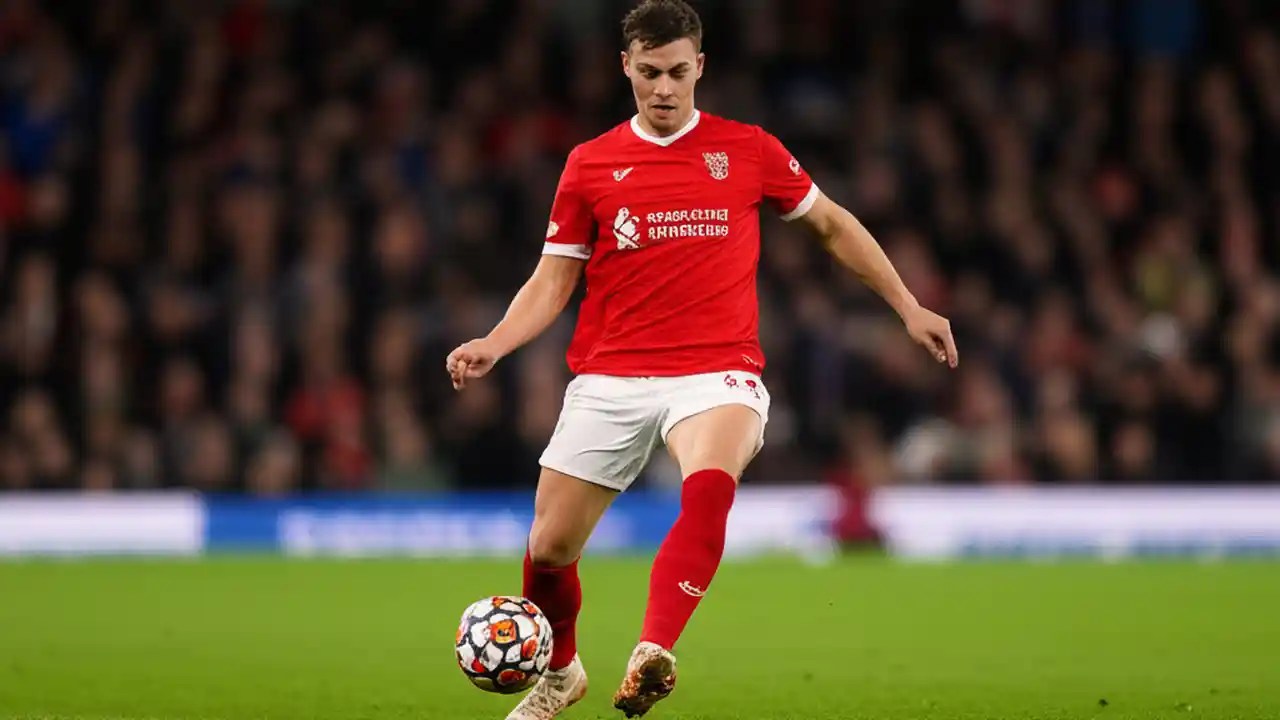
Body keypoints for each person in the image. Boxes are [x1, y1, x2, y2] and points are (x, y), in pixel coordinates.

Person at [445, 1, 958, 717]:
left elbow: (833, 225)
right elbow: (554, 278)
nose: (663, 88)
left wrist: (908, 305)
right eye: (649, 72)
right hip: (612, 374)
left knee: (709, 486)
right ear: (626, 66)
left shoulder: (746, 149)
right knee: (551, 548)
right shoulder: (590, 164)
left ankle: (653, 649)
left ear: (700, 68)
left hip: (717, 372)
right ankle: (560, 673)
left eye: (678, 72)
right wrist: (495, 342)